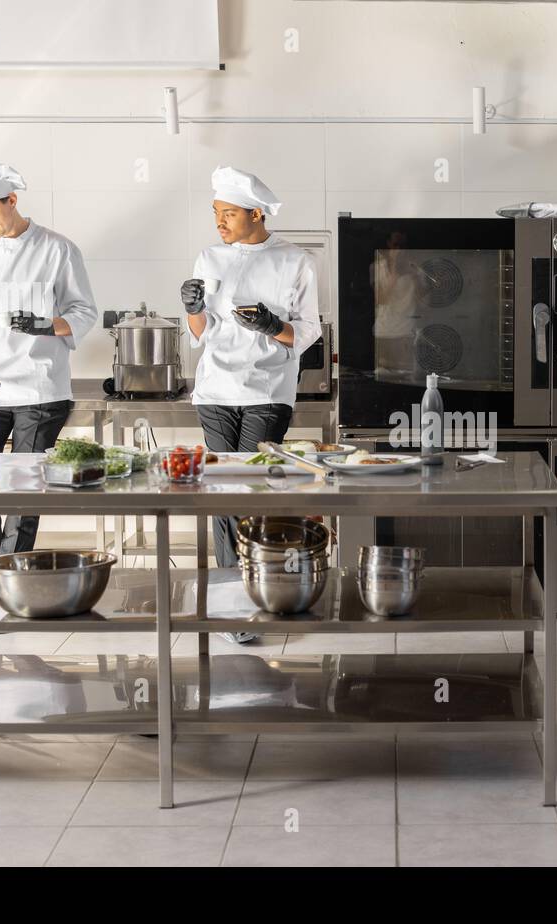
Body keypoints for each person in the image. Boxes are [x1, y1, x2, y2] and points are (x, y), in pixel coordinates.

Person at [181, 166, 320, 641]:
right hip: (216, 390)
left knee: (253, 489)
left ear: (256, 213)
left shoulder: (295, 260)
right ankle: (232, 601)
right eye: (216, 213)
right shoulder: (209, 257)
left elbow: (307, 331)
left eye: (229, 213)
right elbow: (200, 336)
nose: (219, 222)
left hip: (267, 391)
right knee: (221, 491)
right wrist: (192, 308)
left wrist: (270, 326)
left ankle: (261, 592)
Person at [0, 154, 98, 557]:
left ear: (11, 200)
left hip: (39, 385)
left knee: (27, 486)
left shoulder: (57, 249)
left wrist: (47, 326)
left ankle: (8, 568)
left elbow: (83, 312)